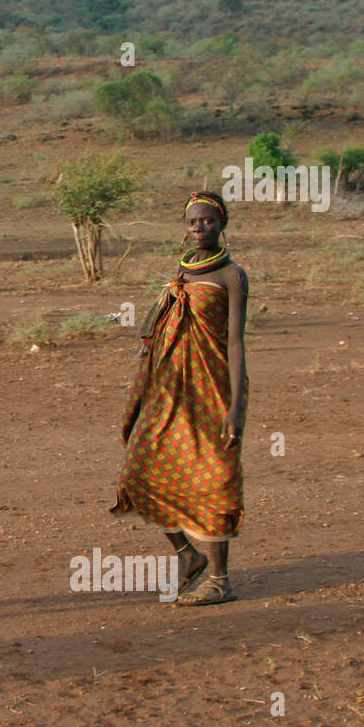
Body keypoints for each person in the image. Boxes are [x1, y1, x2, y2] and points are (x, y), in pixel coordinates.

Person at [111, 191, 249, 605]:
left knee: (212, 477)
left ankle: (220, 579)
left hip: (212, 386)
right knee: (140, 468)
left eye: (207, 221)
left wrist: (235, 407)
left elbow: (237, 343)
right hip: (169, 387)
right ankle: (188, 556)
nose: (199, 228)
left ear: (221, 224)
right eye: (193, 222)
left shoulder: (232, 276)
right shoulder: (183, 272)